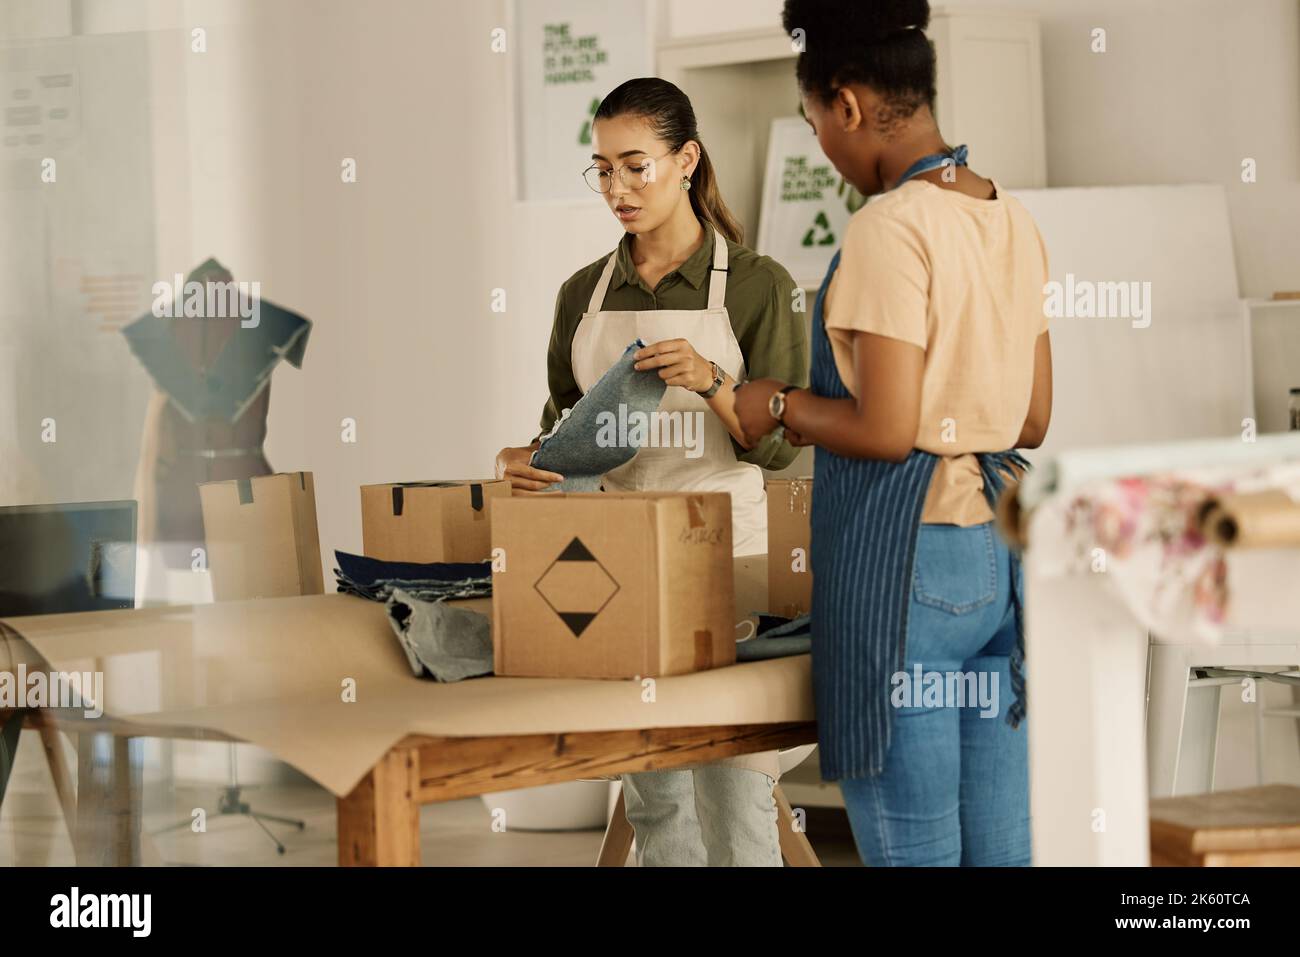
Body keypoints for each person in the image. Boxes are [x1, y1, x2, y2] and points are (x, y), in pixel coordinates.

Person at [735, 0, 1053, 866]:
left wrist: (775, 405)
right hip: (997, 559)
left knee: (914, 851)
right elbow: (1030, 418)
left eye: (813, 125)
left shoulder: (889, 227)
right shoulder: (1008, 217)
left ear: (845, 104)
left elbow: (884, 429)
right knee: (1000, 846)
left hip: (907, 566)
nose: (826, 153)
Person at [495, 77, 808, 866]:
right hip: (621, 564)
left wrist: (711, 381)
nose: (618, 188)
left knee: (735, 784)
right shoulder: (582, 295)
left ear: (687, 159)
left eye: (636, 166)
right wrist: (520, 464)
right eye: (602, 170)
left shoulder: (761, 286)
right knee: (657, 790)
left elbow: (776, 447)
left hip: (729, 559)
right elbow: (560, 435)